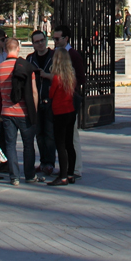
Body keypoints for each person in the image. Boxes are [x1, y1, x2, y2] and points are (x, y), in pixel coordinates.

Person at [0, 37, 38, 186]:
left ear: (5, 49)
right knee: (28, 144)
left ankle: (14, 177)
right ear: (18, 48)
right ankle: (30, 175)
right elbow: (33, 91)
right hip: (24, 112)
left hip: (7, 112)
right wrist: (35, 110)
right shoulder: (26, 66)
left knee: (10, 145)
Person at [51, 26, 87, 180]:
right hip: (64, 100)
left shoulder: (72, 55)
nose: (55, 41)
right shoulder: (58, 54)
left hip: (67, 101)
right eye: (54, 38)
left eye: (57, 38)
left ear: (66, 39)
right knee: (67, 139)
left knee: (71, 138)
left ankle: (75, 169)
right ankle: (68, 170)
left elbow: (81, 77)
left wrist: (67, 85)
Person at [25, 30, 55, 181]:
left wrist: (46, 75)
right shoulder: (30, 59)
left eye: (42, 40)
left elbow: (62, 76)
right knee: (39, 134)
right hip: (36, 102)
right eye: (37, 42)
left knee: (50, 134)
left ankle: (50, 162)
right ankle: (43, 162)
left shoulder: (54, 56)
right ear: (33, 44)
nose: (40, 44)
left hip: (50, 100)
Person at [46, 46, 79, 186]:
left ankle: (63, 175)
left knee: (60, 145)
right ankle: (71, 173)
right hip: (70, 111)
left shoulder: (56, 78)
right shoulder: (71, 76)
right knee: (69, 144)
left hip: (59, 112)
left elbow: (51, 94)